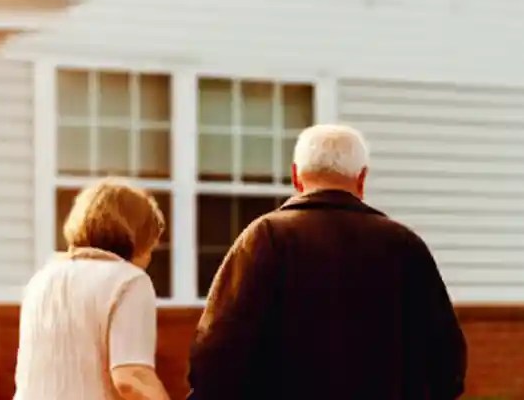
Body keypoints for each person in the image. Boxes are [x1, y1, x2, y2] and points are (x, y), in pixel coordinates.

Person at [187, 124, 467, 399]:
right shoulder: (405, 244)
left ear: (296, 176)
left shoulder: (266, 237)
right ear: (362, 178)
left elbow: (217, 353)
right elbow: (446, 363)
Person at [14, 179, 170, 400]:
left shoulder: (41, 280)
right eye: (151, 247)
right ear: (139, 240)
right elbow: (131, 379)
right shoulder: (129, 281)